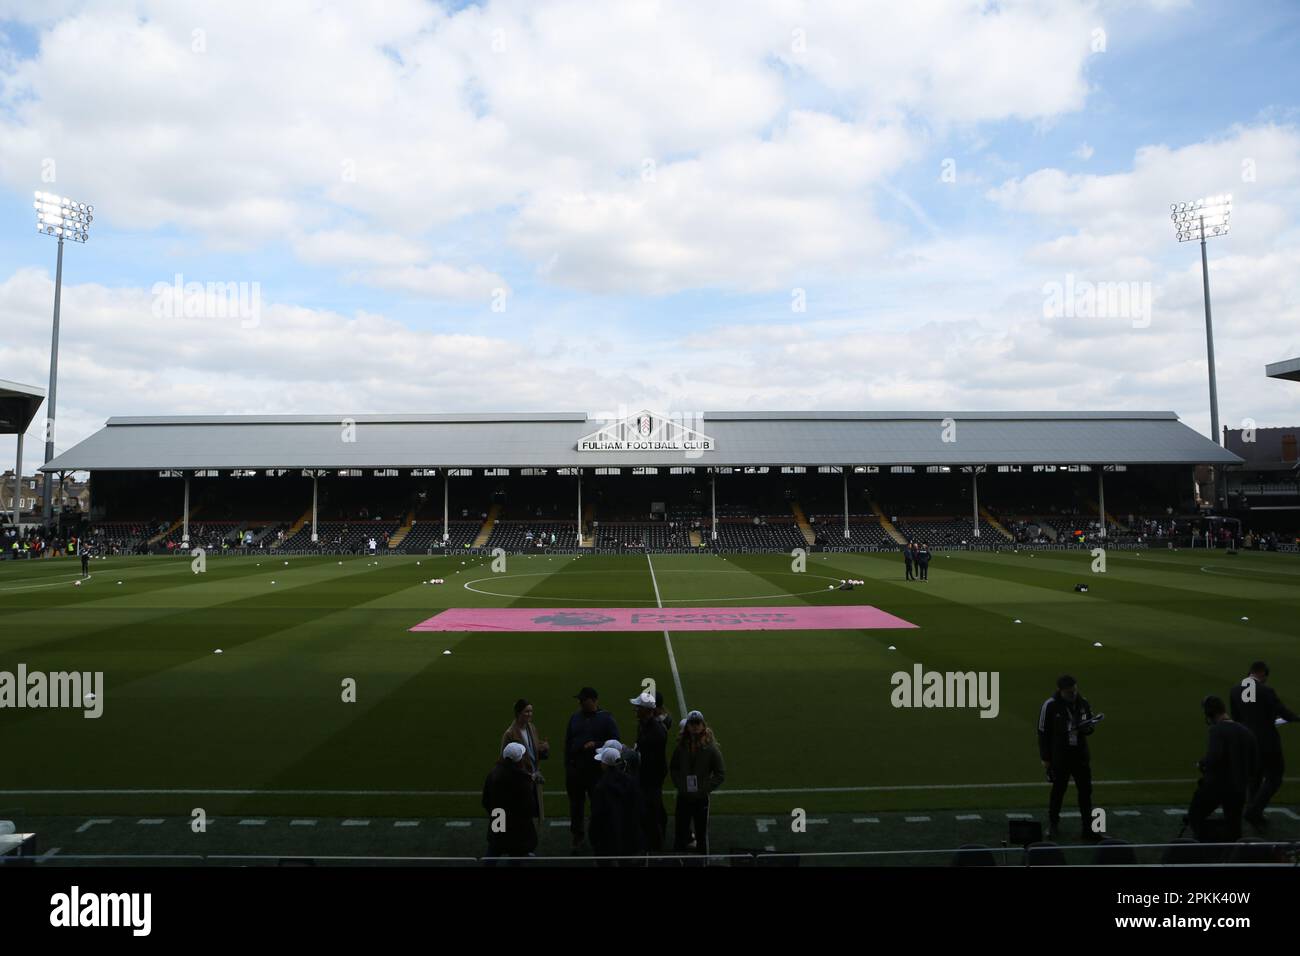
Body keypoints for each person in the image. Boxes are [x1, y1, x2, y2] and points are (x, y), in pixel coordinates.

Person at [1230, 661, 1298, 829]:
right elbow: (1283, 712)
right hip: (1267, 740)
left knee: (1254, 776)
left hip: (1247, 739)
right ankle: (1254, 810)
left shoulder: (1235, 690)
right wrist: (1296, 718)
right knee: (1274, 776)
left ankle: (1253, 809)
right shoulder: (1266, 690)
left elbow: (1236, 718)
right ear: (1263, 674)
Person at [1186, 695, 1258, 842]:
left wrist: (1202, 764)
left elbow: (1214, 758)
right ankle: (1231, 856)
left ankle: (1208, 848)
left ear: (1209, 713)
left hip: (1216, 786)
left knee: (1194, 815)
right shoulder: (1246, 731)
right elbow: (1255, 764)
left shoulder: (1217, 730)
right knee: (1234, 826)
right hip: (1238, 788)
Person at [1037, 675, 1097, 841]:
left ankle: (1088, 828)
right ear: (1060, 691)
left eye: (1074, 690)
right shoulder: (1050, 705)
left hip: (1080, 755)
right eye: (1069, 692)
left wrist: (1087, 728)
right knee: (1058, 792)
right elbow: (1042, 733)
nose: (1073, 694)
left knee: (1086, 792)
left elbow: (1089, 725)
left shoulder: (1082, 703)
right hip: (1060, 757)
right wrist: (1046, 758)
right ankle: (1053, 825)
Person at [564, 687, 620, 850]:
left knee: (598, 805)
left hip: (596, 771)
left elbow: (615, 742)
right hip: (576, 771)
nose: (580, 702)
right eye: (580, 700)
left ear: (594, 700)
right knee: (576, 805)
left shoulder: (607, 718)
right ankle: (577, 836)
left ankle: (599, 835)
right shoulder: (575, 718)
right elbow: (568, 743)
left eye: (583, 699)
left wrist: (596, 744)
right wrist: (568, 766)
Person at [670, 710, 725, 857]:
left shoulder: (711, 749)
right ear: (687, 726)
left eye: (697, 723)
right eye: (692, 723)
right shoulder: (681, 747)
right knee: (680, 833)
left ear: (702, 725)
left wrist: (704, 789)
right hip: (684, 796)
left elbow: (720, 774)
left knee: (701, 835)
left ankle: (703, 860)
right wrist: (680, 785)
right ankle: (678, 860)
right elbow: (674, 768)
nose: (695, 726)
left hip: (701, 798)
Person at [481, 742, 538, 862]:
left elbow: (486, 800)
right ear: (518, 760)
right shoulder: (523, 780)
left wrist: (495, 813)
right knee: (516, 852)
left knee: (495, 847)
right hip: (517, 823)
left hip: (499, 818)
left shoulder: (493, 774)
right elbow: (530, 808)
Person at [589, 743, 644, 864]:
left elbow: (597, 816)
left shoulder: (601, 787)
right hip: (630, 837)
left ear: (604, 765)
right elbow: (639, 808)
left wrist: (593, 838)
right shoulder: (631, 782)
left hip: (608, 840)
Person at [630, 689, 669, 851]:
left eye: (638, 707)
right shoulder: (646, 726)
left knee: (651, 812)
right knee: (654, 809)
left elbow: (647, 754)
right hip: (648, 775)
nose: (635, 709)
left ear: (646, 710)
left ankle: (656, 846)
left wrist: (633, 754)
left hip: (651, 777)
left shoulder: (655, 730)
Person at [501, 699, 549, 823]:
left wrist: (541, 748)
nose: (529, 714)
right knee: (522, 813)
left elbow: (532, 749)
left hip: (534, 776)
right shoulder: (509, 734)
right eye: (526, 711)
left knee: (534, 810)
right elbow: (504, 758)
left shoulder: (531, 728)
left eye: (531, 711)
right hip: (520, 780)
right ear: (518, 713)